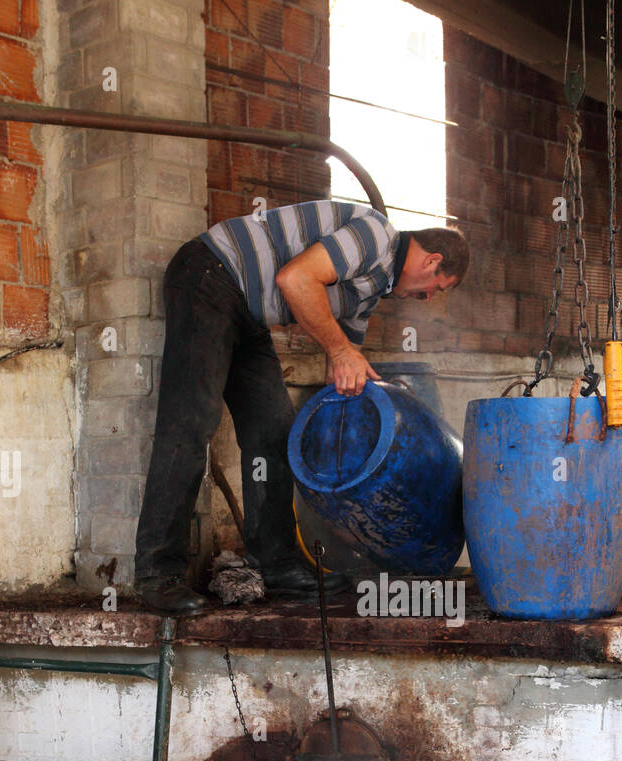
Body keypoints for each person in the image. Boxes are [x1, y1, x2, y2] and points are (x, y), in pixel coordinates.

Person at [133, 199, 469, 614]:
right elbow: (295, 279)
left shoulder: (371, 293)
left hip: (249, 314)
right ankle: (157, 574)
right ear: (431, 260)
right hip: (211, 275)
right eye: (439, 286)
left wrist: (371, 390)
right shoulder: (376, 235)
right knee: (190, 425)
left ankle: (275, 563)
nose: (429, 298)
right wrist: (343, 352)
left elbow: (342, 369)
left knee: (275, 432)